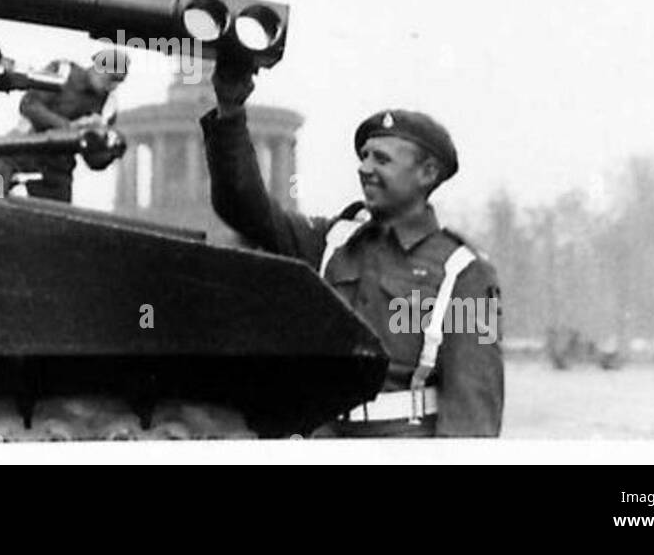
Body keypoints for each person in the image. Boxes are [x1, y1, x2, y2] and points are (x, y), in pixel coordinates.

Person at [201, 57, 503, 436]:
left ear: (427, 173)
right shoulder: (331, 242)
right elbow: (244, 207)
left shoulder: (465, 273)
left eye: (382, 159)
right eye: (364, 156)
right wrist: (230, 110)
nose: (364, 167)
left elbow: (473, 414)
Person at [10, 50, 129, 202]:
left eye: (116, 82)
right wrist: (69, 127)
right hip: (20, 149)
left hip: (57, 169)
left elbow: (93, 161)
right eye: (109, 77)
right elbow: (29, 105)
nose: (110, 85)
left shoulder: (108, 106)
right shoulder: (63, 72)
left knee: (56, 215)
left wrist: (108, 150)